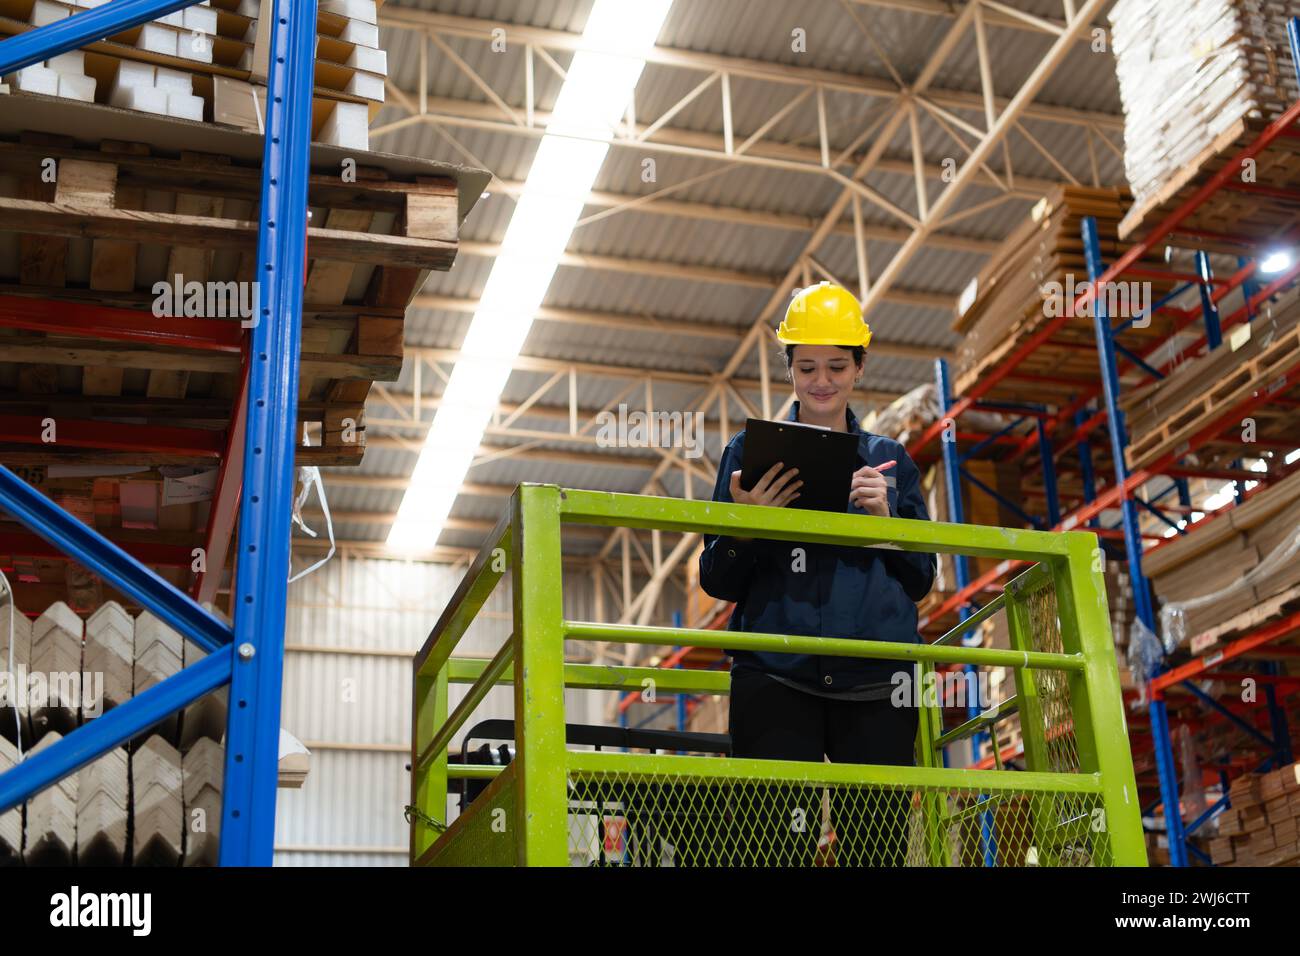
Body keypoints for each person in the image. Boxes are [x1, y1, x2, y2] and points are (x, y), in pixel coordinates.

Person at [698, 281, 936, 866]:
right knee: (773, 847)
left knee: (874, 850)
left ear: (859, 367)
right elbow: (717, 578)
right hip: (776, 675)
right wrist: (749, 525)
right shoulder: (745, 455)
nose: (821, 380)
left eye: (836, 365)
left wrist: (887, 524)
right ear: (789, 370)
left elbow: (922, 578)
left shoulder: (891, 461)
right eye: (807, 366)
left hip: (876, 681)